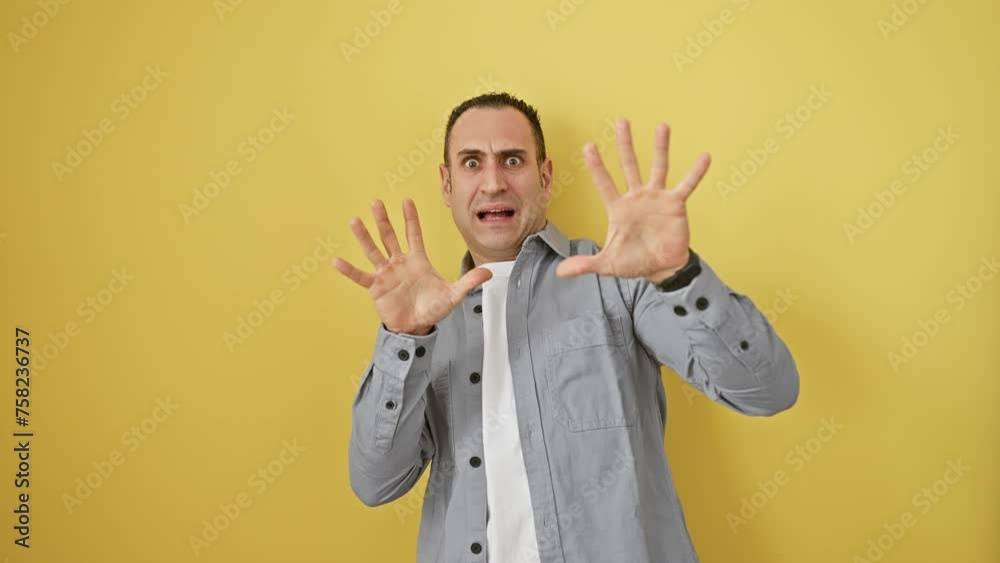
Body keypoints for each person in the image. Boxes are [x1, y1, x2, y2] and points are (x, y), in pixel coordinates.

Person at [333, 92, 799, 563]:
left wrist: (676, 275)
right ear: (447, 184)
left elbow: (768, 389)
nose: (493, 183)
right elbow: (376, 484)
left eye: (512, 159)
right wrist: (406, 339)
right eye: (472, 162)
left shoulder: (616, 281)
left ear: (545, 176)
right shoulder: (426, 326)